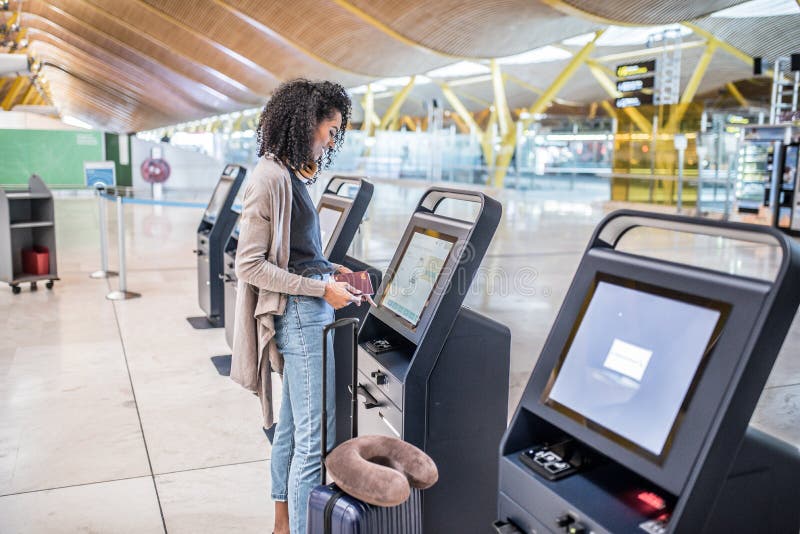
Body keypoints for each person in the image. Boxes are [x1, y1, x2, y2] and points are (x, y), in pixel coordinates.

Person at [230, 79, 362, 534]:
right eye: (330, 129)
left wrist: (329, 268)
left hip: (309, 311)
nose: (331, 139)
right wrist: (320, 291)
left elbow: (296, 253)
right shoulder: (268, 179)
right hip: (303, 320)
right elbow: (250, 265)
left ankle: (283, 523)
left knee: (291, 427)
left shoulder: (287, 174)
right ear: (307, 123)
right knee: (314, 440)